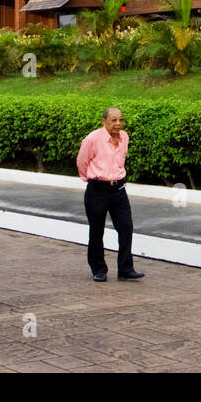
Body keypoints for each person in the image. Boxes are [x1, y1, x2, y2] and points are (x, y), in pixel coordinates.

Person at [77, 107, 144, 282]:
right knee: (97, 231)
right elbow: (82, 161)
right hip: (97, 190)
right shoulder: (93, 139)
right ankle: (98, 270)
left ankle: (125, 269)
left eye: (121, 120)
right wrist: (91, 179)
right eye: (113, 120)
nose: (118, 124)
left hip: (119, 191)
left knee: (126, 227)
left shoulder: (124, 137)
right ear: (104, 121)